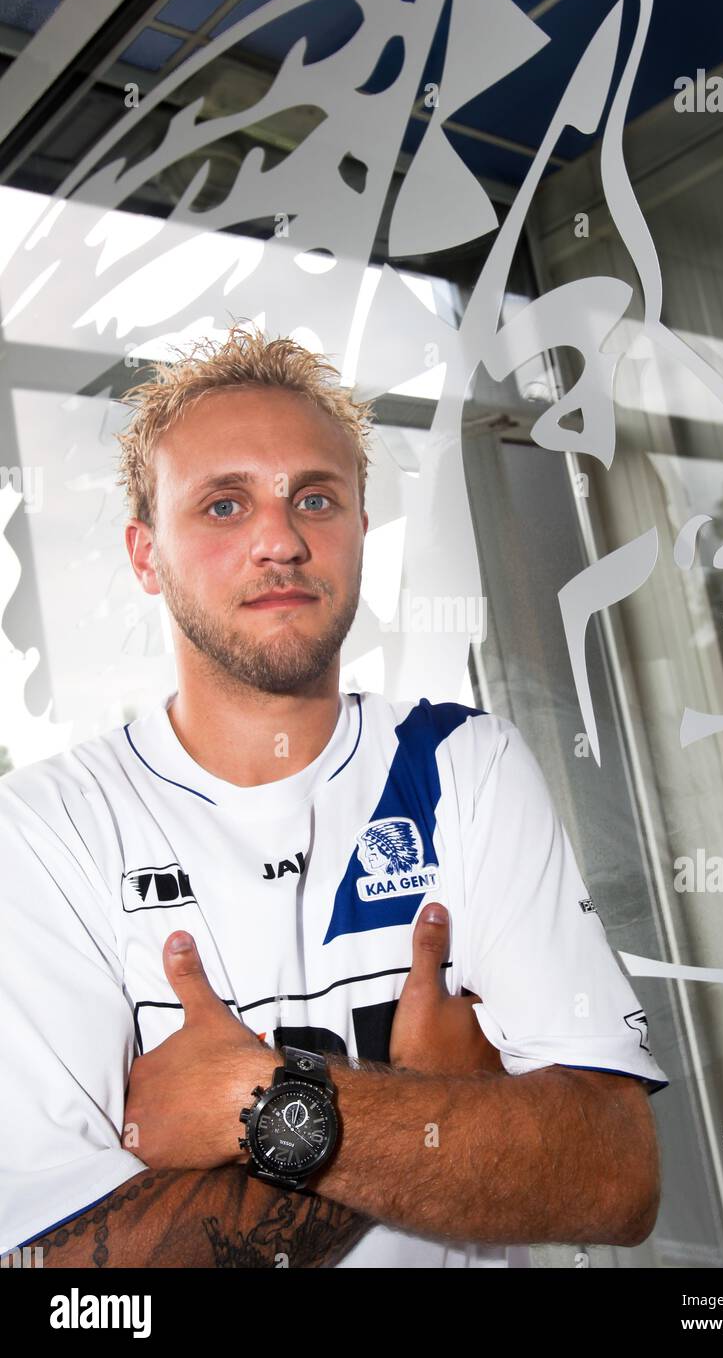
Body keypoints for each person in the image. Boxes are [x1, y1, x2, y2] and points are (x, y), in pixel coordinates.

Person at [0, 326, 668, 1268]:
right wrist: (436, 1106)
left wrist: (258, 1100)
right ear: (146, 556)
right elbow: (67, 1276)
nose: (279, 538)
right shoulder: (45, 832)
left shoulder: (463, 765)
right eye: (224, 505)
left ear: (359, 529)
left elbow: (613, 1176)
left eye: (315, 498)